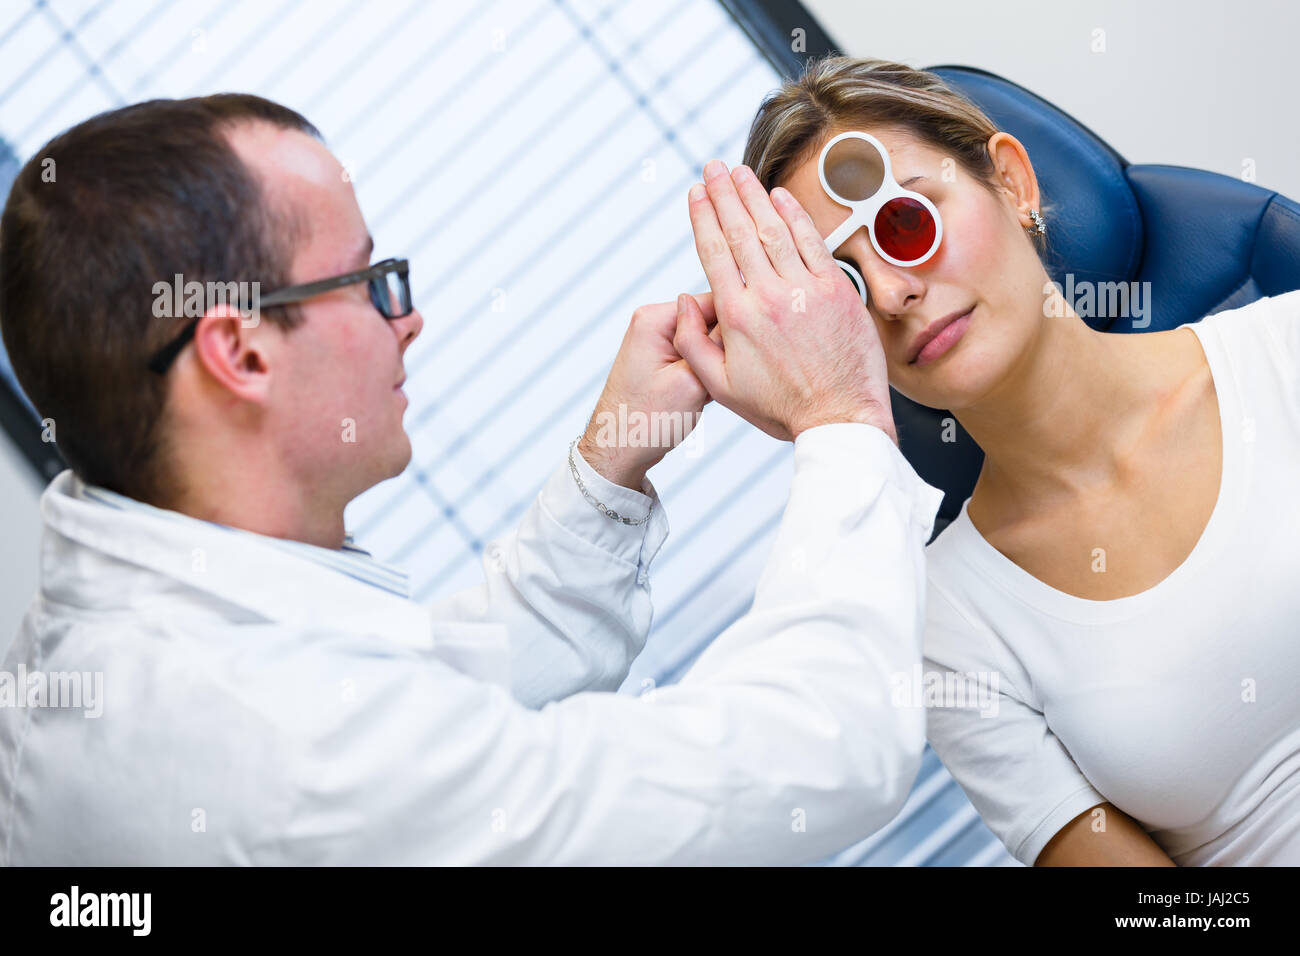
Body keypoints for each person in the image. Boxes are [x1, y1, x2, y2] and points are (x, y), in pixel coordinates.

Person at [0, 93, 944, 864]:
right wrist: (844, 419)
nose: (408, 321)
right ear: (241, 355)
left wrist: (612, 457)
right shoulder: (281, 754)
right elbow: (820, 751)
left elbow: (467, 690)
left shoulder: (135, 620)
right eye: (371, 283)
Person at [739, 55, 1300, 866]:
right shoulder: (948, 632)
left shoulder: (1286, 353)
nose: (894, 293)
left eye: (906, 223)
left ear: (1010, 184)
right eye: (847, 289)